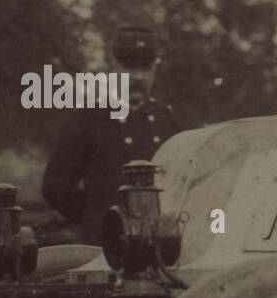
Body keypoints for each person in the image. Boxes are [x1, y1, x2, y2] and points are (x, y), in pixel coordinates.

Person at [41, 25, 182, 245]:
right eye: (128, 67)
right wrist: (101, 221)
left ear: (155, 68)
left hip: (163, 246)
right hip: (107, 249)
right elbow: (56, 188)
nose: (137, 76)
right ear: (112, 67)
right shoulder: (88, 119)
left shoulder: (168, 119)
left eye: (145, 68)